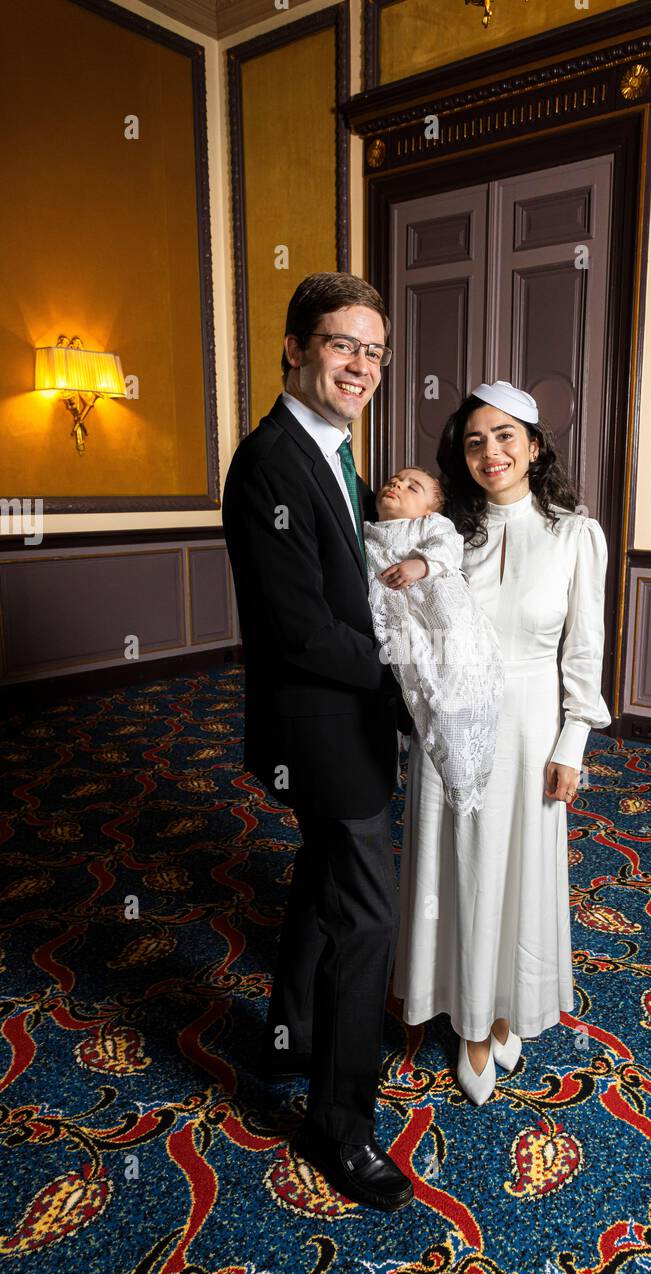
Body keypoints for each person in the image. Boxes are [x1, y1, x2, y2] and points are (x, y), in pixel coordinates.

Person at [221, 272, 414, 1212]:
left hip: (346, 720)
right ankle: (340, 1127)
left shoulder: (336, 455)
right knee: (370, 912)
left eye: (374, 351)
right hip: (319, 725)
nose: (363, 366)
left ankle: (286, 1034)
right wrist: (402, 671)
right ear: (295, 348)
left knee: (319, 879)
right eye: (343, 345)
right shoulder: (269, 463)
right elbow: (297, 628)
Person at [392, 381, 611, 1105]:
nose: (491, 452)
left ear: (535, 447)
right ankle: (472, 1023)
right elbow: (405, 626)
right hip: (454, 718)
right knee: (458, 868)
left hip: (532, 722)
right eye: (474, 440)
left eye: (506, 437)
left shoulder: (577, 536)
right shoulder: (443, 535)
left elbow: (583, 652)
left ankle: (508, 1002)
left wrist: (571, 741)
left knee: (518, 867)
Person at [364, 466, 505, 815]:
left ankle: (464, 775)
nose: (396, 483)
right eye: (394, 480)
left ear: (430, 510)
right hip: (399, 624)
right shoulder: (366, 534)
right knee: (414, 690)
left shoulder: (430, 526)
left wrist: (421, 565)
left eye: (413, 487)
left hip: (438, 615)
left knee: (451, 691)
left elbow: (449, 546)